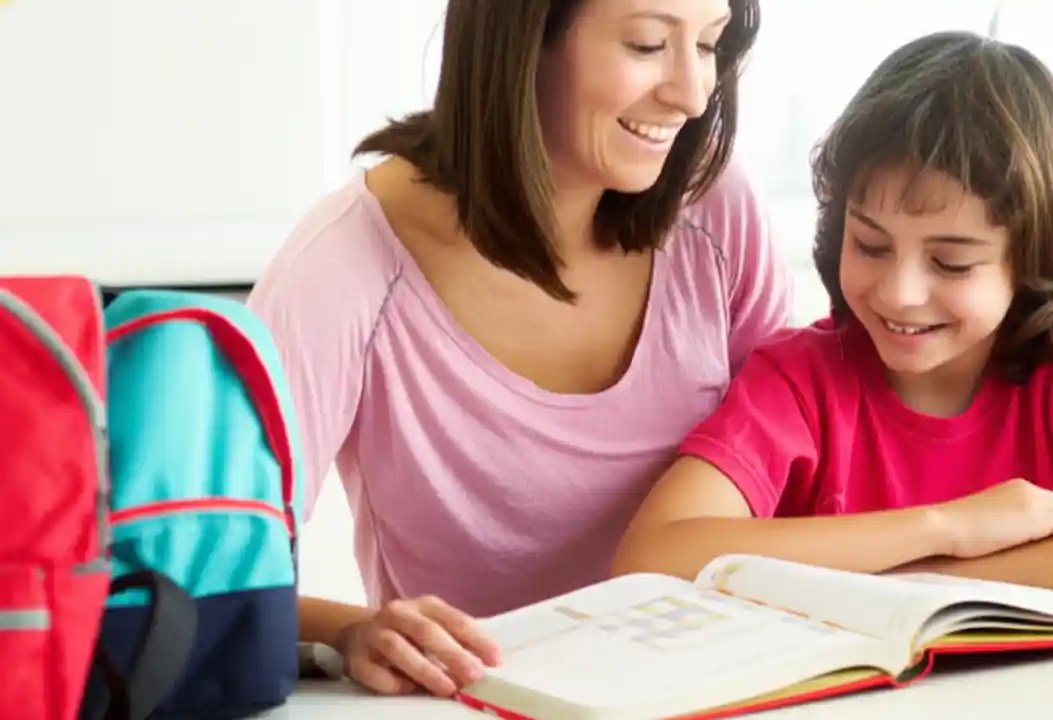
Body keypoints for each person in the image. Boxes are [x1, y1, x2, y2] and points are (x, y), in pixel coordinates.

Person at [247, 0, 790, 698]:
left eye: (710, 45)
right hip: (493, 703)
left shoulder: (712, 203)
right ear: (525, 40)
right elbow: (210, 574)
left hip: (735, 684)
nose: (691, 93)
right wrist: (350, 631)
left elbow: (804, 461)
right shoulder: (343, 267)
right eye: (648, 43)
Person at [613, 31, 1053, 596]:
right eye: (870, 245)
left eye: (951, 264)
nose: (900, 292)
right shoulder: (799, 382)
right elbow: (654, 556)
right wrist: (946, 526)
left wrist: (940, 584)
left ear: (1030, 261)